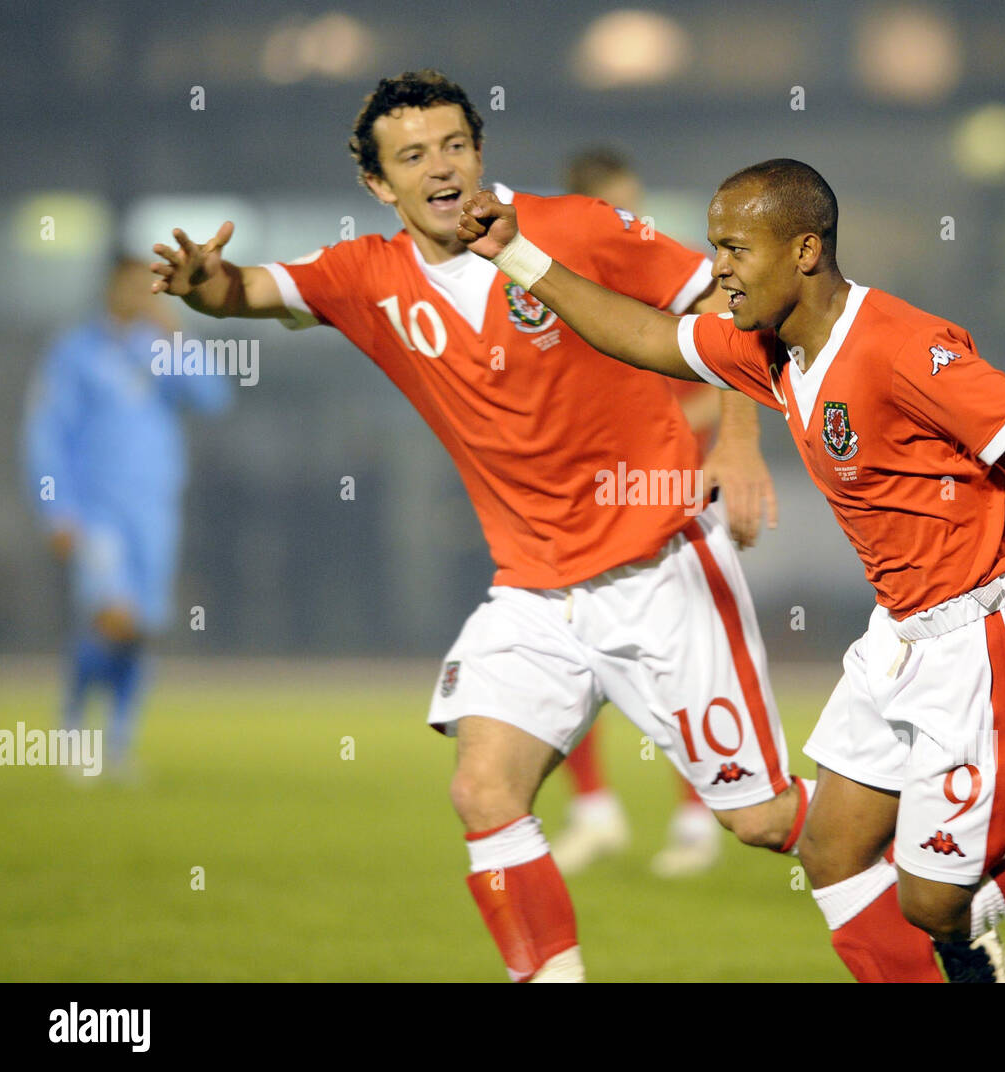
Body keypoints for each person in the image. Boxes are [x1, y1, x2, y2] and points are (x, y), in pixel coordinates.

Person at [455, 158, 1005, 982]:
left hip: (990, 636)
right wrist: (517, 256)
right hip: (900, 635)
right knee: (832, 853)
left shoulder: (899, 344)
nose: (718, 266)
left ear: (804, 250)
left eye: (735, 248)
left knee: (936, 906)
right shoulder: (771, 348)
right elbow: (650, 337)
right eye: (714, 246)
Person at [149, 71, 811, 984]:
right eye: (413, 156)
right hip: (534, 591)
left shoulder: (573, 227)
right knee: (483, 790)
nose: (440, 167)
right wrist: (199, 284)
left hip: (661, 564)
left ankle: (944, 877)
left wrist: (737, 439)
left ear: (480, 151)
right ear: (379, 188)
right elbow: (246, 290)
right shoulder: (365, 276)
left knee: (765, 823)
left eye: (454, 145)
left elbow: (727, 308)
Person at [551, 145, 723, 879]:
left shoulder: (665, 279)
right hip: (587, 501)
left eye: (636, 204)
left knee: (677, 662)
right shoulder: (550, 290)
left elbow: (726, 370)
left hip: (671, 493)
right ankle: (595, 810)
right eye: (621, 208)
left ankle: (698, 818)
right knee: (565, 654)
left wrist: (693, 454)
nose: (636, 219)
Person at [23, 256, 231, 780]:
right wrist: (58, 511)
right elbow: (46, 434)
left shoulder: (159, 347)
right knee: (109, 618)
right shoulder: (75, 352)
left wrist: (180, 338)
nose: (143, 295)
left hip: (154, 511)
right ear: (112, 288)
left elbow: (213, 399)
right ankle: (71, 732)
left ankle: (118, 744)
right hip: (97, 512)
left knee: (142, 627)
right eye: (134, 285)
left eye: (150, 287)